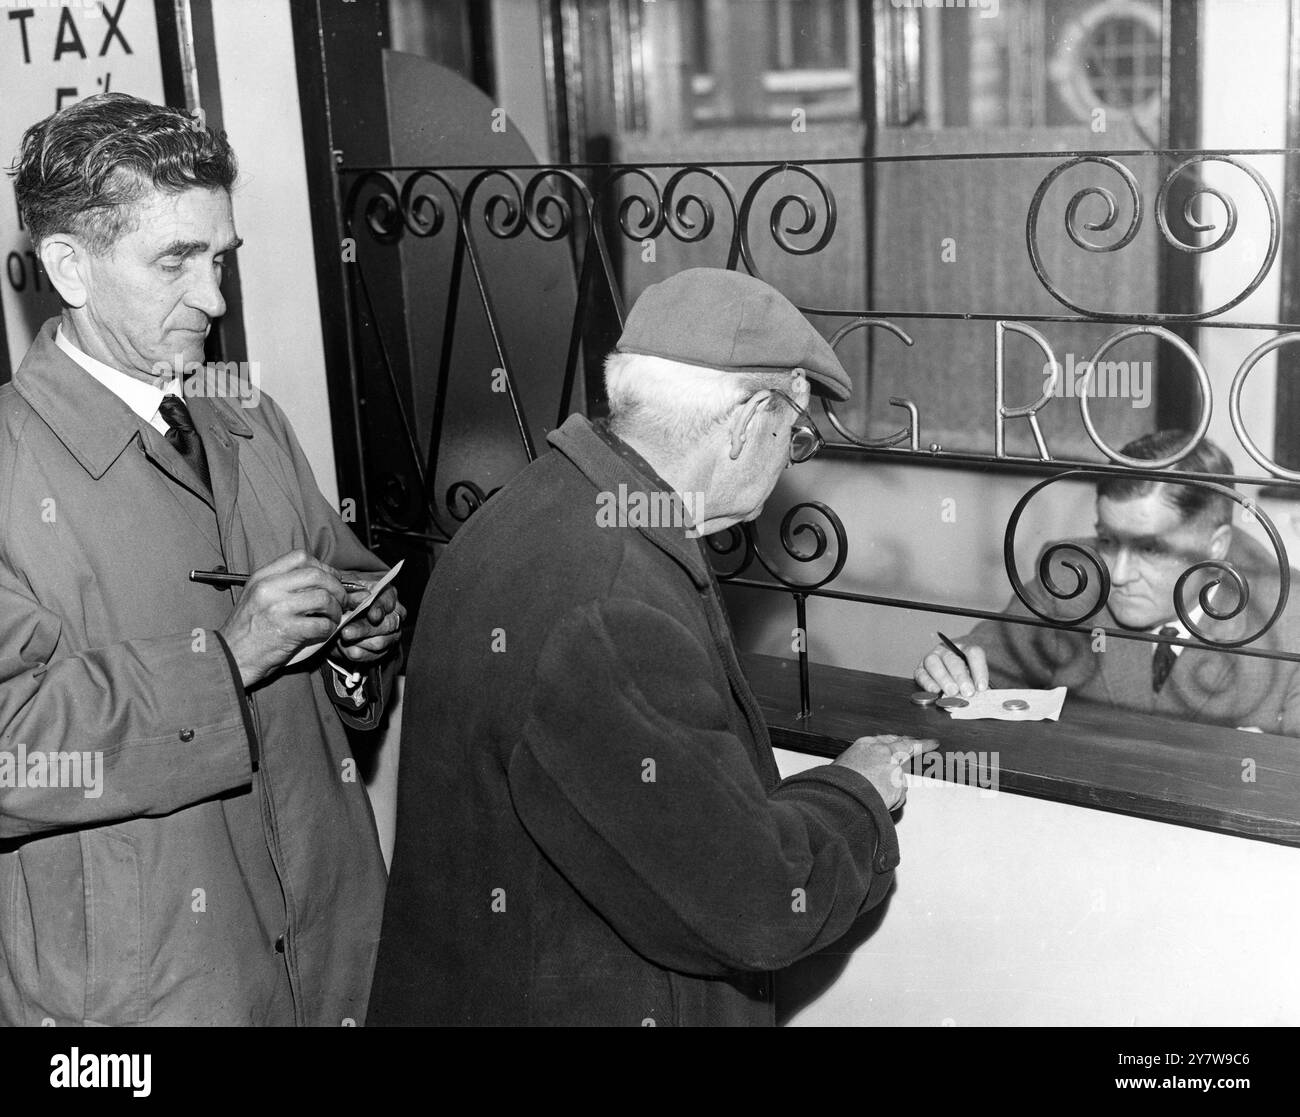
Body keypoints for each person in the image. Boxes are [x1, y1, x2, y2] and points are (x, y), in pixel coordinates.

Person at [368, 267, 933, 1027]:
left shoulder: (532, 509)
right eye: (794, 435)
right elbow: (756, 901)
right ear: (745, 422)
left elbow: (656, 823)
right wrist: (858, 793)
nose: (788, 459)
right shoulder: (611, 605)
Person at [0, 93, 403, 1025]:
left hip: (331, 961)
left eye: (218, 258)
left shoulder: (248, 416)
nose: (216, 299)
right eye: (175, 260)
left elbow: (337, 583)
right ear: (69, 267)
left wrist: (358, 641)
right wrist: (227, 660)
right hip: (150, 1007)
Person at [915, 431, 1300, 734]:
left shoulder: (1290, 618)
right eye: (1108, 541)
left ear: (1215, 548)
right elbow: (979, 675)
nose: (1117, 575)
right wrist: (952, 668)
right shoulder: (1070, 578)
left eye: (1150, 549)